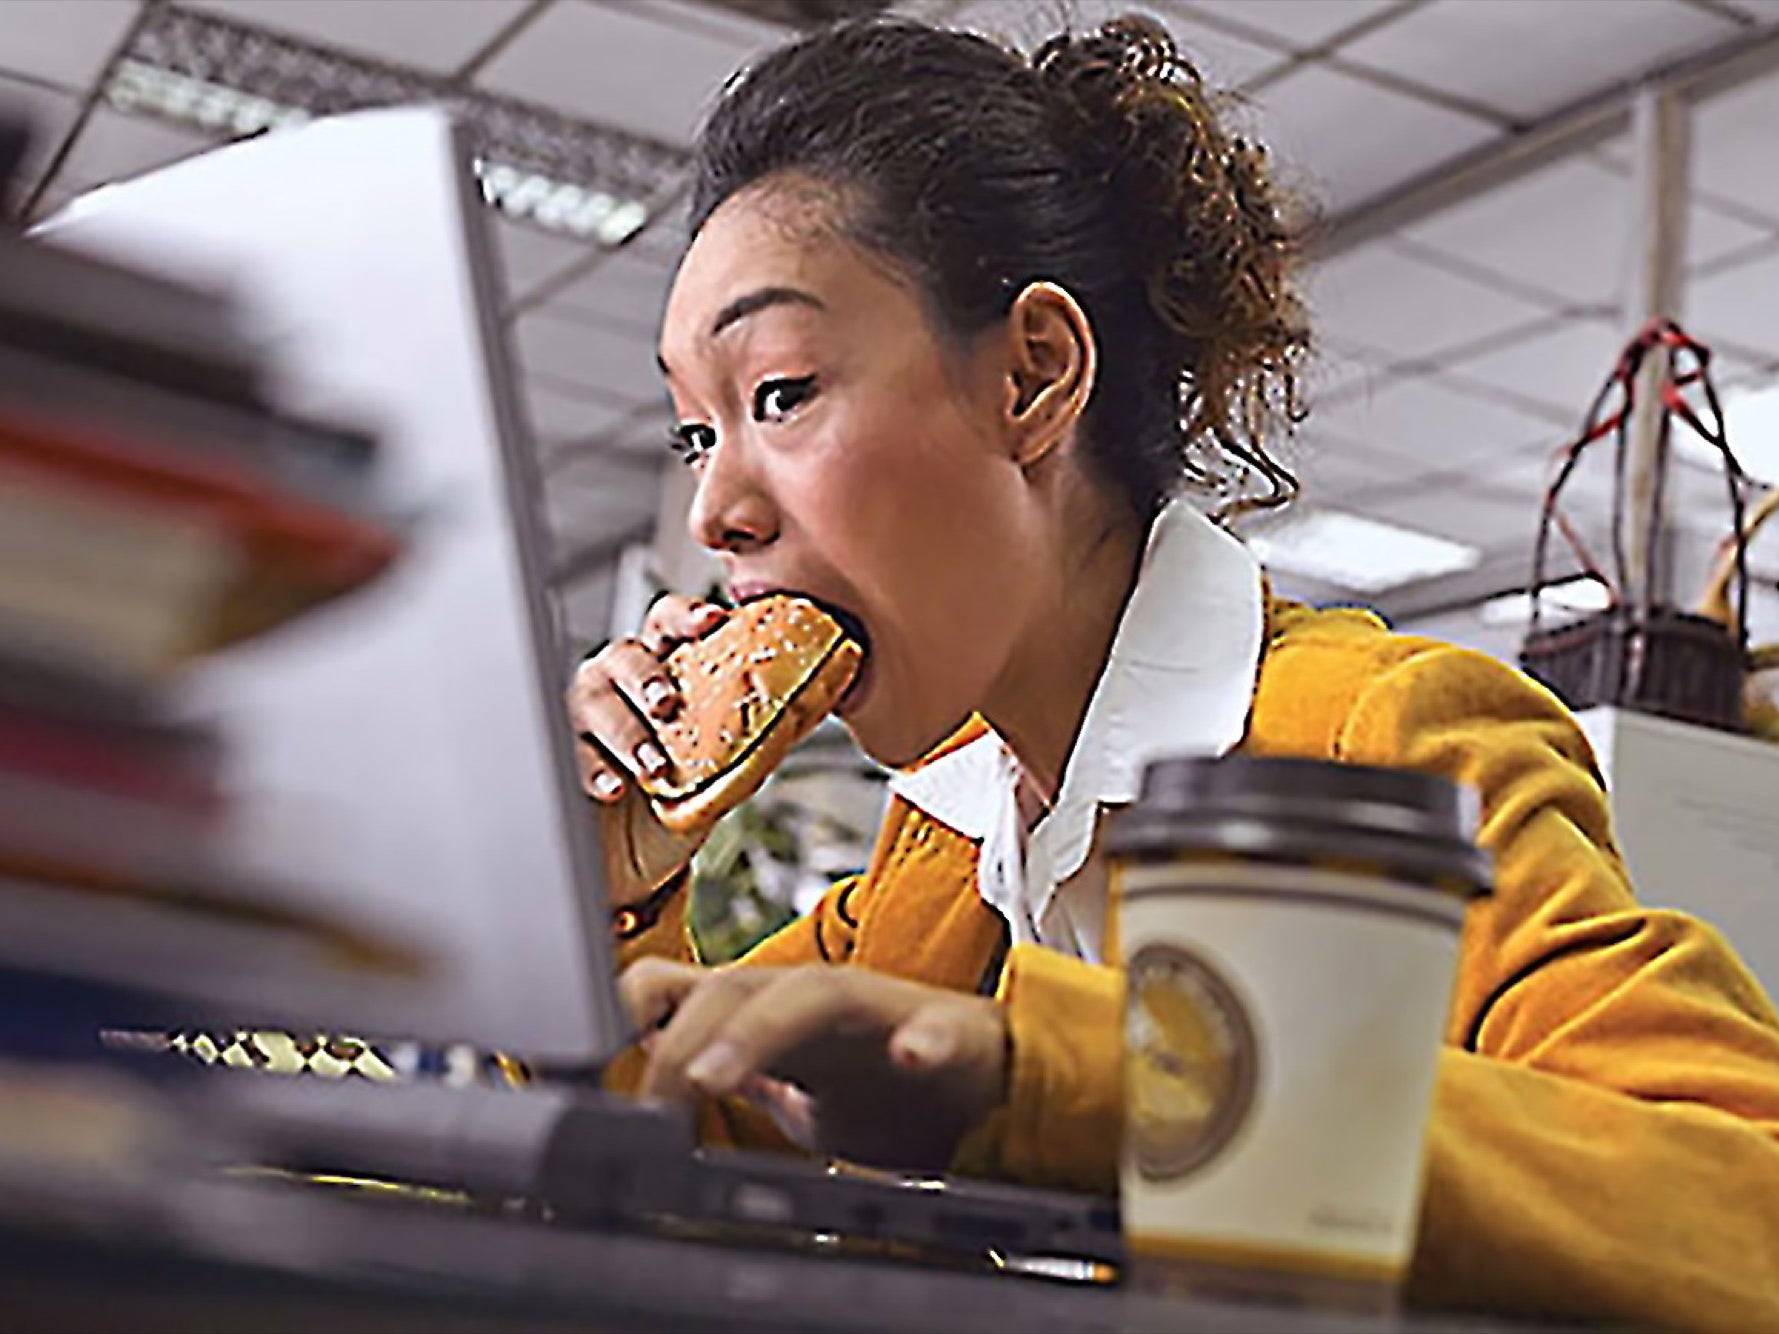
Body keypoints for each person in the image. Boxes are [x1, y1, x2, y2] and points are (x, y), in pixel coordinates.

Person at [565, 15, 1779, 1329]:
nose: (714, 511)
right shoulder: (943, 836)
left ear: (1032, 376)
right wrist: (609, 891)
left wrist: (1050, 1076)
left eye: (781, 392)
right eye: (698, 429)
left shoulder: (1387, 732)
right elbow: (683, 1176)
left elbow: (1746, 1203)